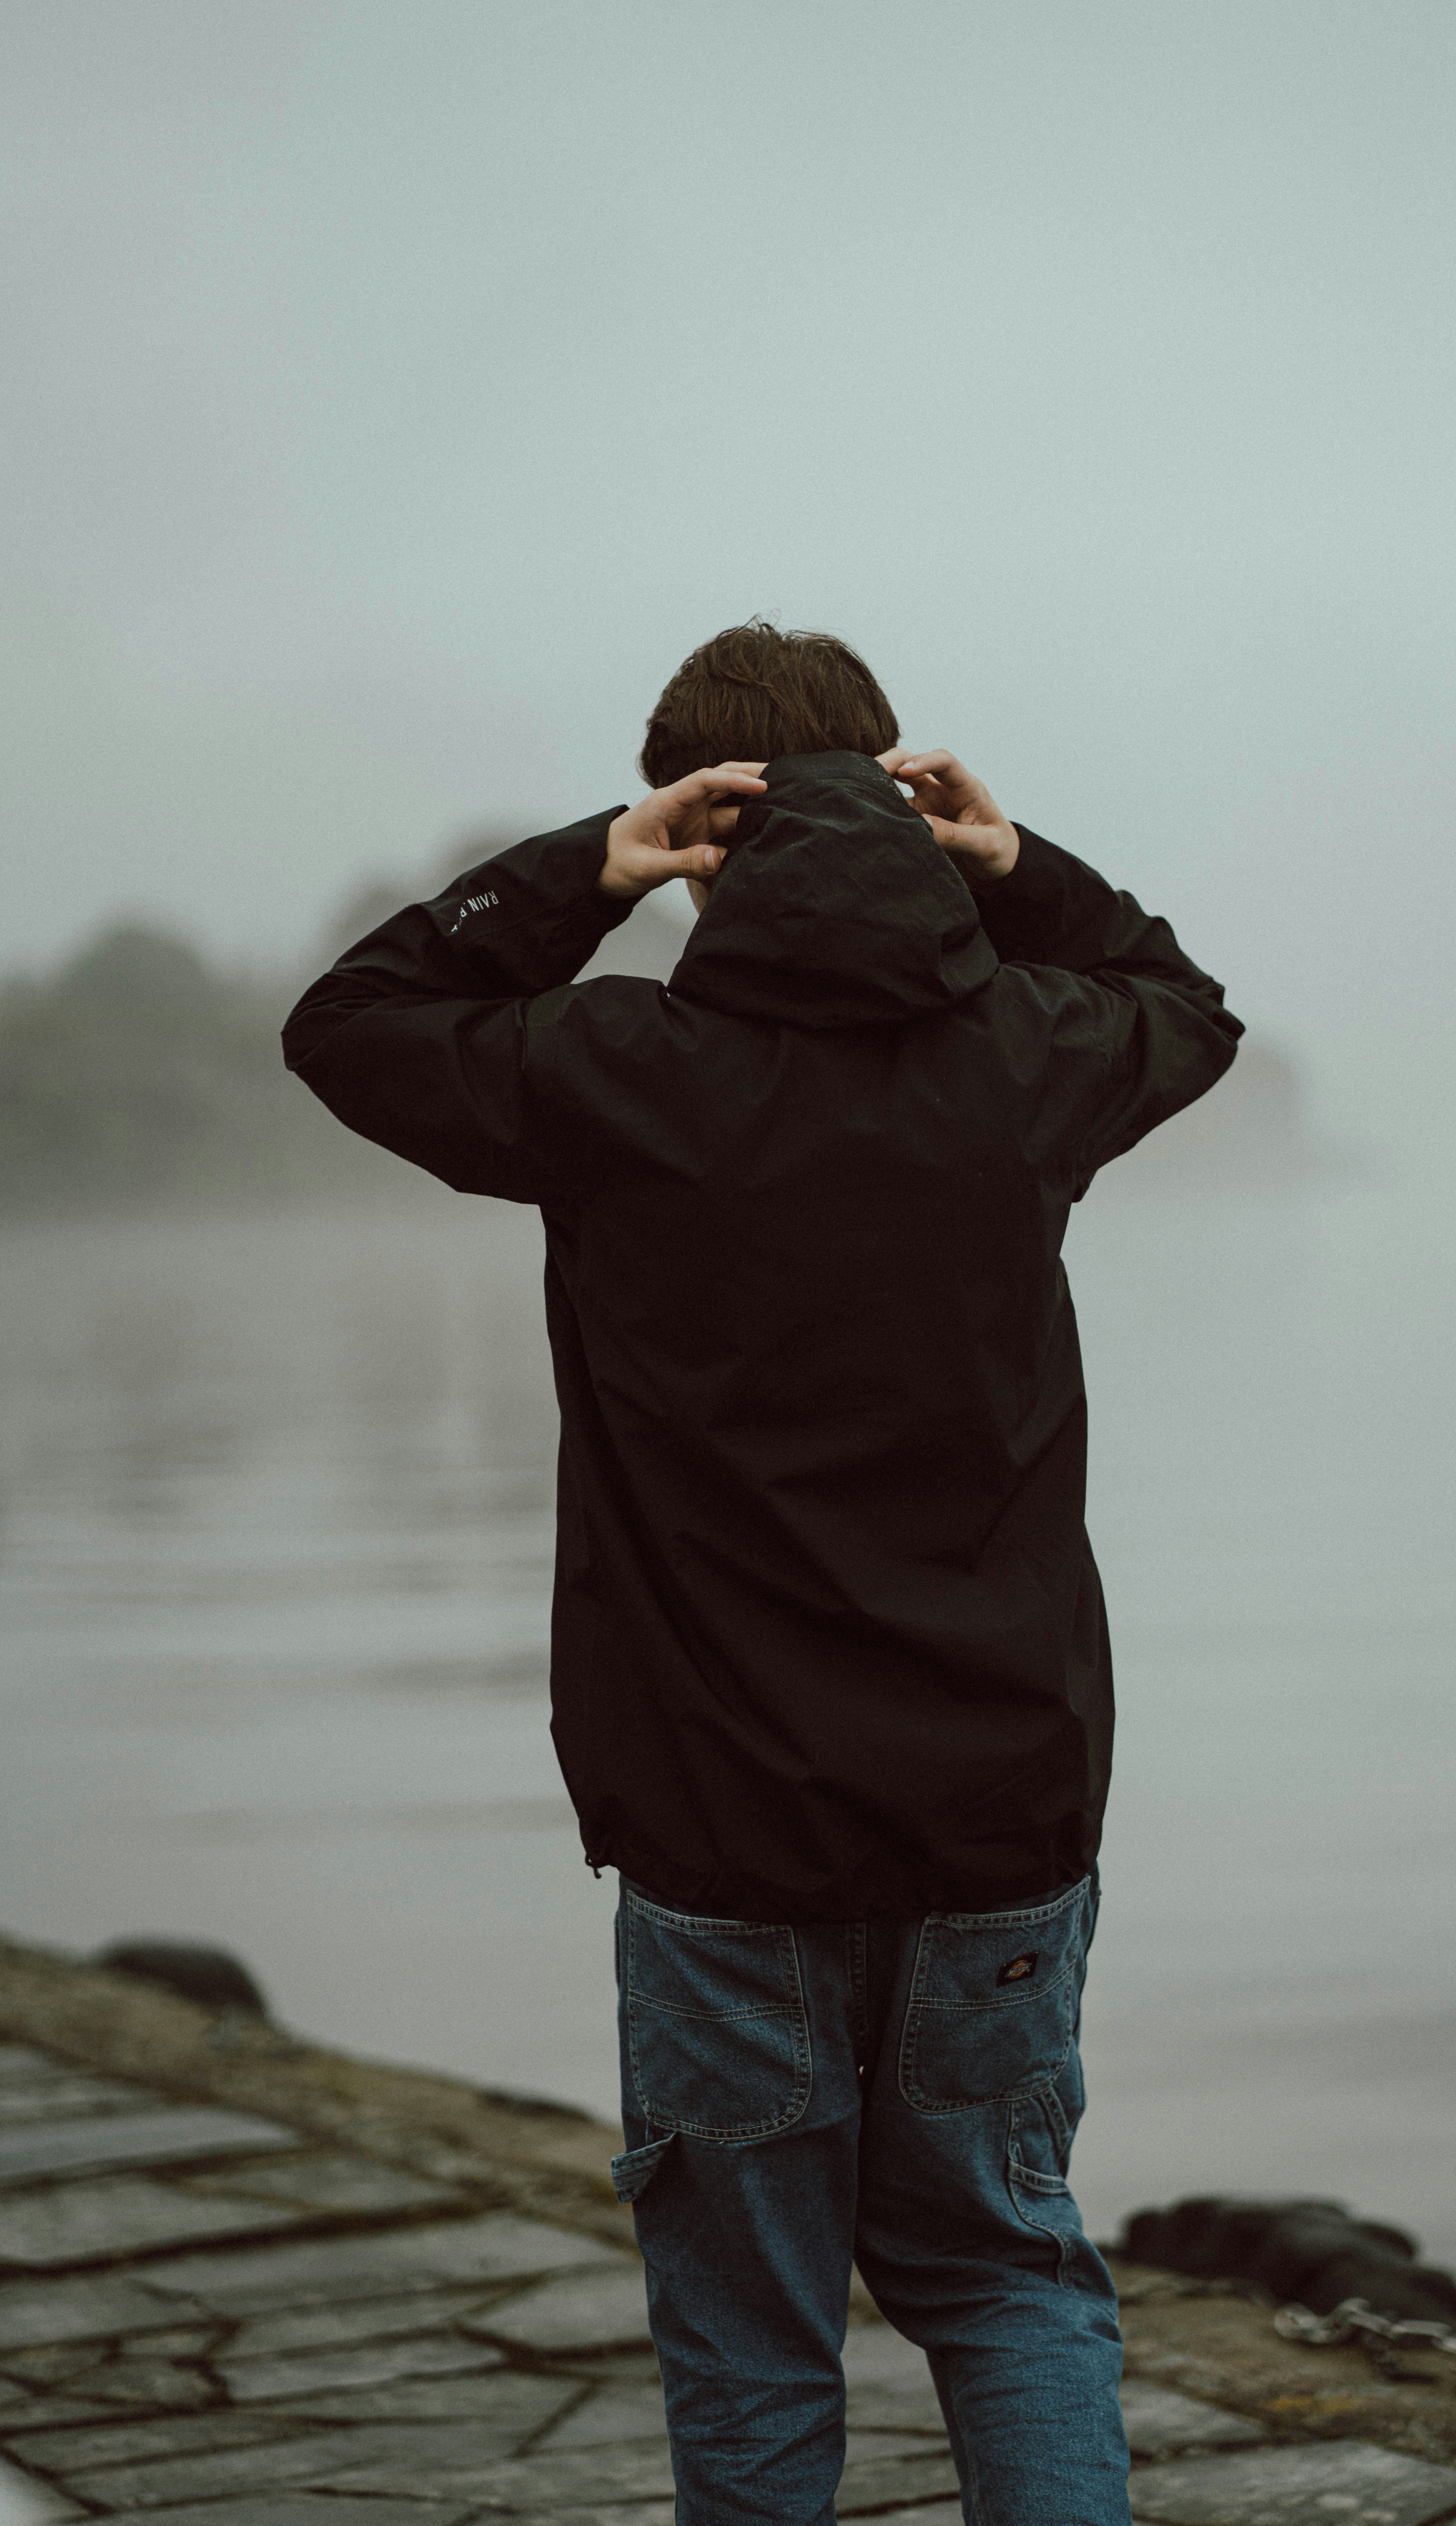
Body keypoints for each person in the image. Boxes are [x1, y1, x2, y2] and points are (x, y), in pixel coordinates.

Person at [283, 620, 1243, 2526]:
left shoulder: (611, 1070)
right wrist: (1017, 863)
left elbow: (352, 1025)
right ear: (897, 791)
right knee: (1001, 2277)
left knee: (747, 2327)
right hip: (998, 1812)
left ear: (698, 820)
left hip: (724, 1831)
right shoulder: (1026, 1056)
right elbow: (1182, 1002)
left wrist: (579, 867)